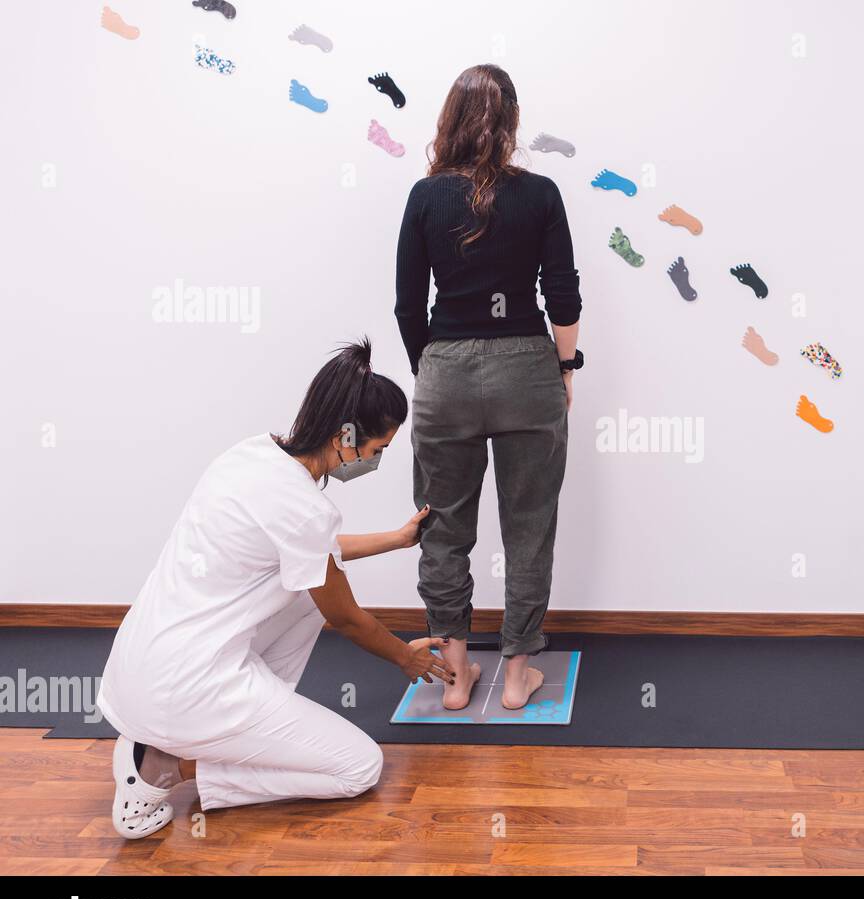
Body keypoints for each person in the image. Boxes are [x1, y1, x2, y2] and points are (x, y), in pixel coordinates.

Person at [96, 339, 454, 840]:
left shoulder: (251, 455)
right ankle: (161, 769)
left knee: (304, 593)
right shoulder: (306, 510)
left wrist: (396, 540)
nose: (374, 462)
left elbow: (311, 551)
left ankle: (175, 738)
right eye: (377, 451)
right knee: (358, 768)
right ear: (345, 436)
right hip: (184, 690)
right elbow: (346, 616)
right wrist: (405, 658)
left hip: (140, 668)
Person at [395, 64, 582, 712]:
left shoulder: (425, 198)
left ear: (449, 119)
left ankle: (456, 676)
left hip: (445, 370)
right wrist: (565, 369)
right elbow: (562, 296)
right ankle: (520, 669)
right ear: (511, 125)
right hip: (527, 369)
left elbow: (406, 306)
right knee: (529, 525)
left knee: (443, 527)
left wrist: (436, 370)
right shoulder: (540, 195)